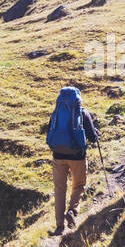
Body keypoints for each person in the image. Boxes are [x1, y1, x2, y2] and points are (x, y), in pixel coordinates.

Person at [44, 85, 99, 235]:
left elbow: (49, 132)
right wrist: (95, 135)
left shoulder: (56, 113)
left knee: (59, 189)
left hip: (58, 156)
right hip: (77, 156)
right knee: (79, 185)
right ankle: (72, 210)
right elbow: (92, 137)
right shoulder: (83, 112)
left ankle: (59, 226)